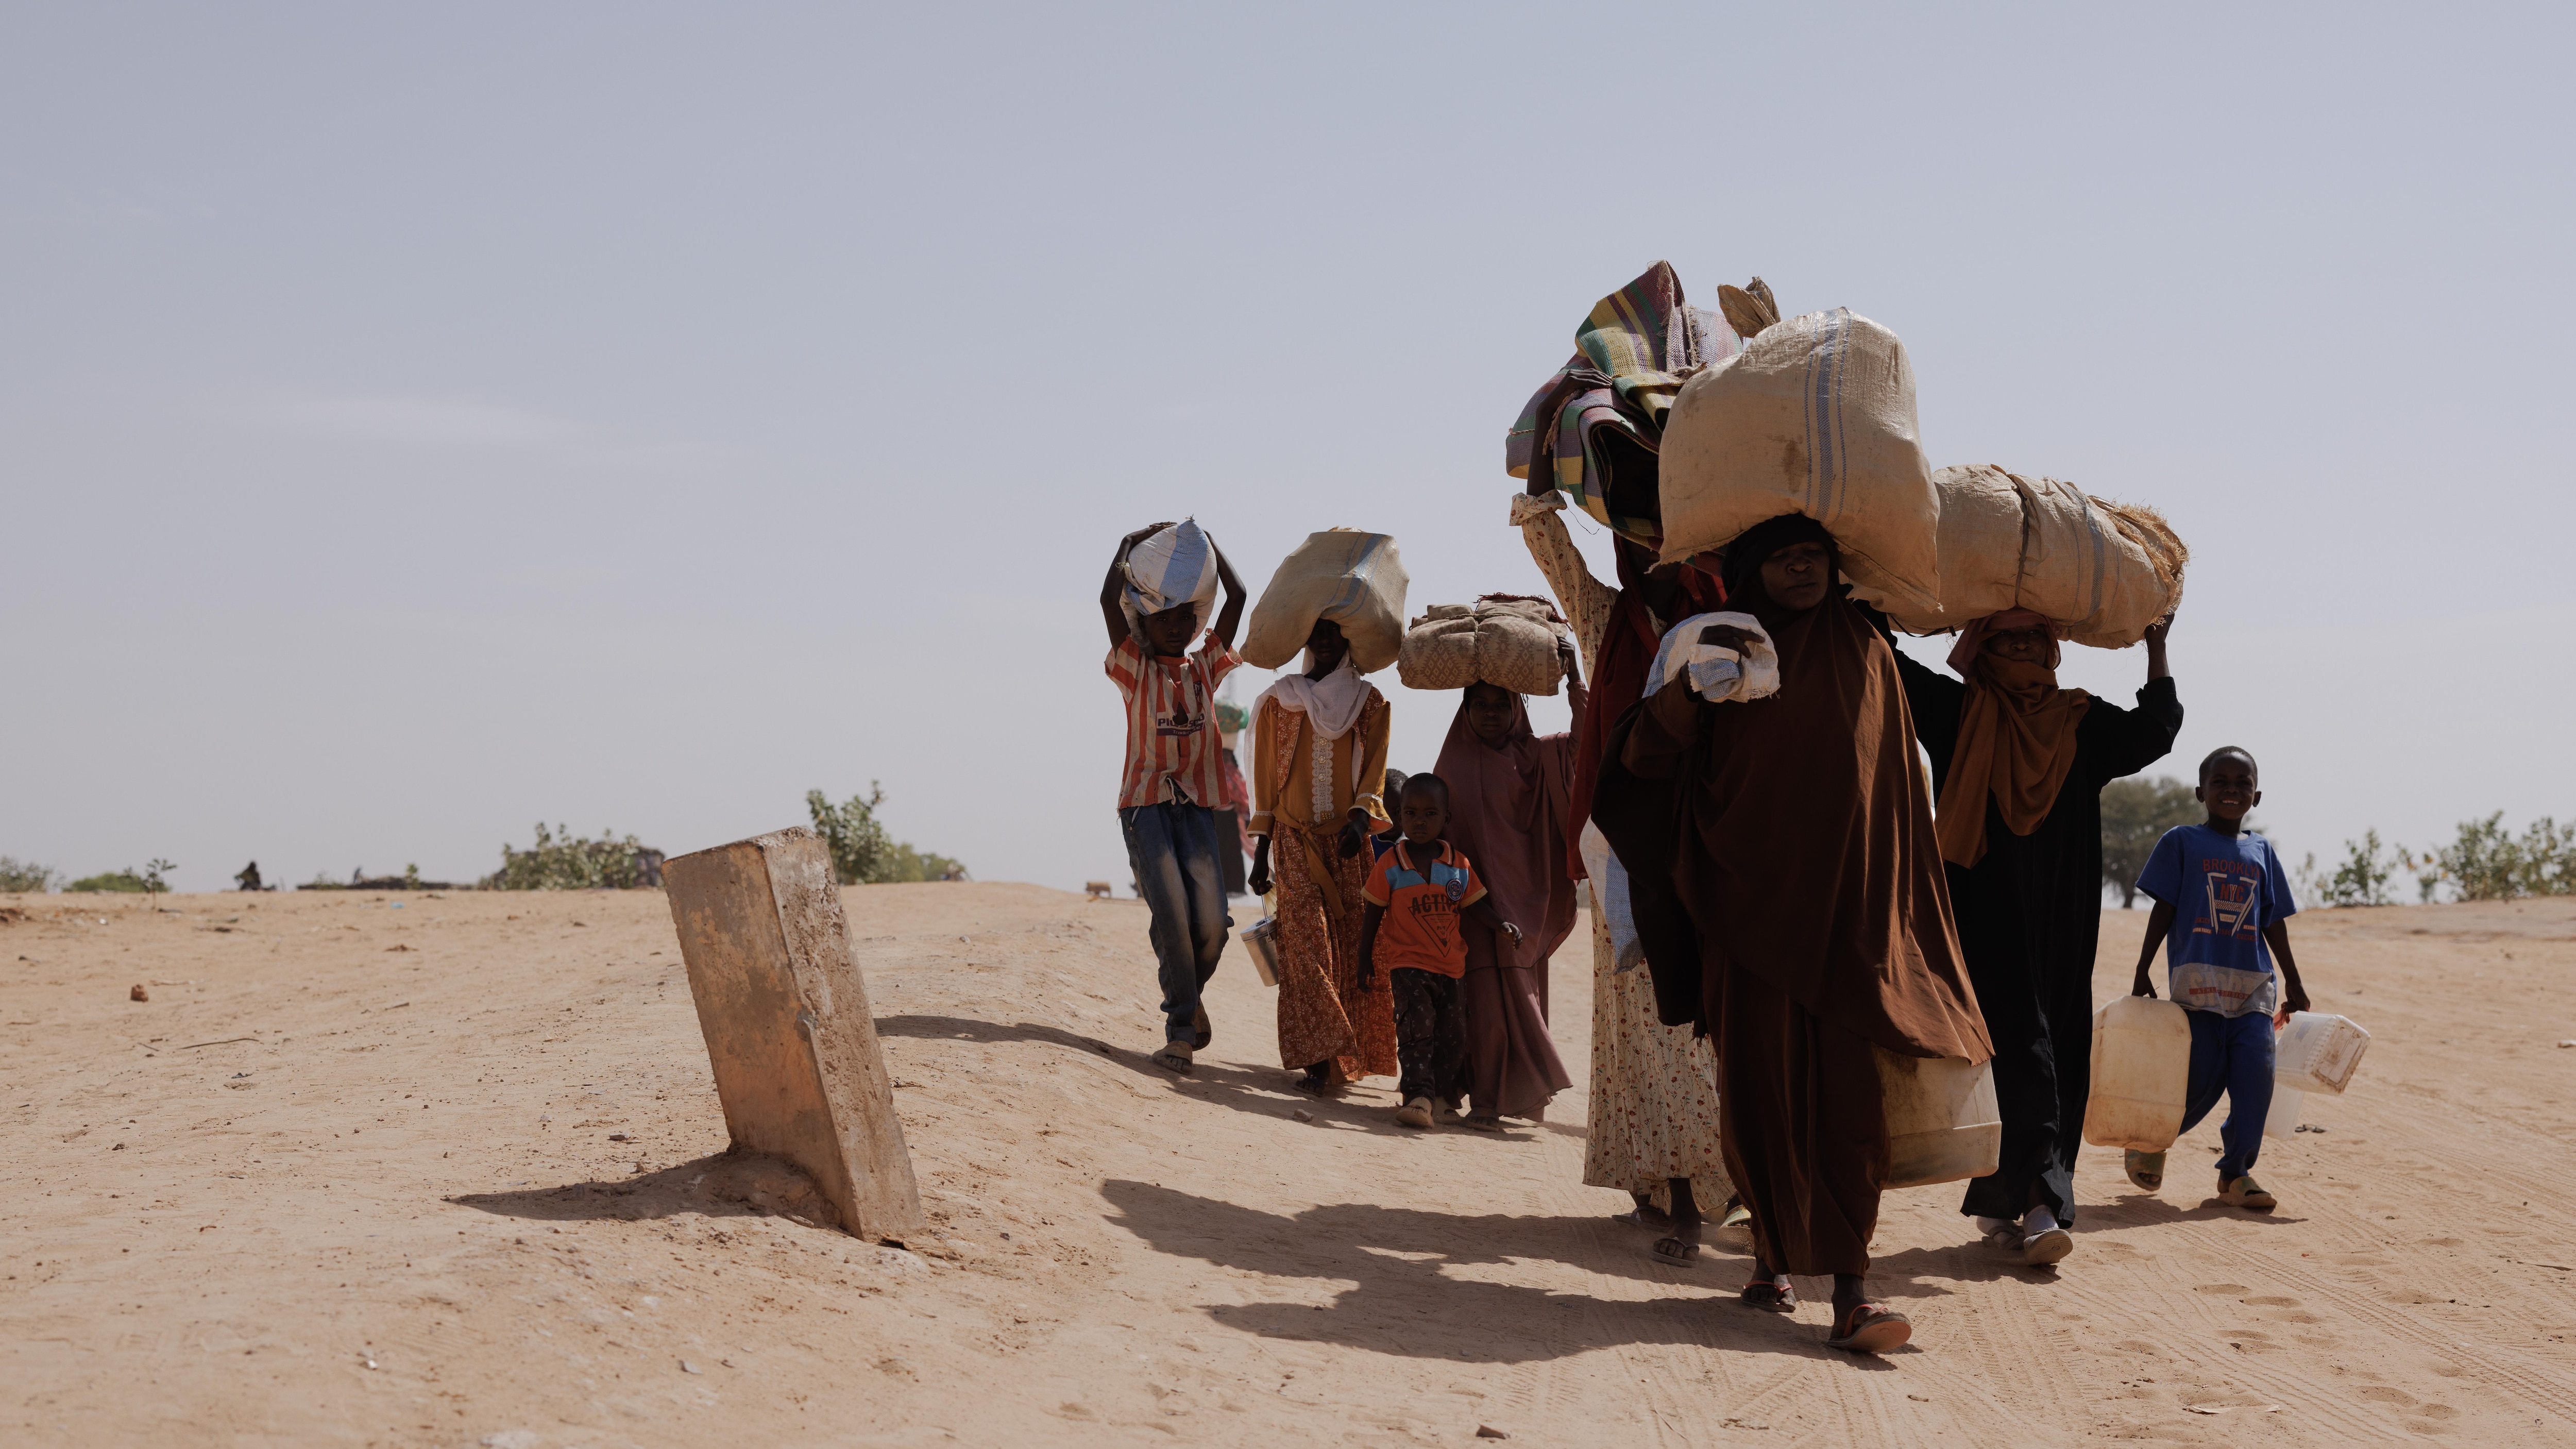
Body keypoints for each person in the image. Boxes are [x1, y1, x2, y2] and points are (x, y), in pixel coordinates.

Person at [1595, 513, 1991, 1355]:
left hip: (1847, 921)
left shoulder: (1866, 648)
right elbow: (1636, 762)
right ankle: (1773, 1251)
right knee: (1760, 1099)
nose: (1802, 569)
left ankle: (1851, 1287)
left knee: (1849, 1109)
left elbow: (1892, 792)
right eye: (1783, 558)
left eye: (1814, 555)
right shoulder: (1720, 641)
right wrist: (1685, 698)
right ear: (1753, 571)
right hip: (1743, 915)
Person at [1881, 608, 2182, 1266]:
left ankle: (2007, 1198)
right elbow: (1888, 665)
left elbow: (2154, 731)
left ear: (2052, 649)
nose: (2019, 642)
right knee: (2020, 1045)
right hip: (1979, 914)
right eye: (2002, 634)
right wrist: (1884, 601)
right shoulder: (1955, 712)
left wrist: (2155, 645)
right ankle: (2041, 1200)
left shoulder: (2078, 720)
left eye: (2032, 635)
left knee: (2055, 1045)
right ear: (1978, 645)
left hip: (2064, 915)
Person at [1514, 490, 1739, 1262]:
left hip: (1706, 850)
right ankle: (1670, 1191)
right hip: (1621, 859)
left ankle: (1721, 1186)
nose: (1655, 556)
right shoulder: (1607, 623)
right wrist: (1545, 488)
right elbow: (1553, 555)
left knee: (1707, 1029)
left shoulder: (1726, 624)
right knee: (1644, 1032)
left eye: (1670, 542)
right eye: (1640, 541)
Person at [2126, 746, 2308, 1211]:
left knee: (2256, 1080)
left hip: (2253, 991)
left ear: (2257, 795)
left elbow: (2273, 922)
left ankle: (2236, 1174)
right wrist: (2143, 966)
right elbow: (2163, 907)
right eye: (2221, 781)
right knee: (2201, 1080)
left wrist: (2294, 981)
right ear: (2200, 791)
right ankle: (2153, 1140)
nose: (2231, 790)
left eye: (2242, 783)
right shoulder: (2181, 842)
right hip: (2198, 989)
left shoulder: (2262, 850)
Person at [1100, 521, 1247, 1075]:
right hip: (1145, 806)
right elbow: (1105, 602)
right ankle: (1180, 1028)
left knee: (1210, 925)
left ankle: (1186, 994)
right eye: (1164, 617)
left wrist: (1208, 547)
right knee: (1171, 914)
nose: (1177, 626)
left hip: (1202, 808)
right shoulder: (1133, 668)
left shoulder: (1206, 665)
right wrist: (1125, 547)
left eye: (1187, 616)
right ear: (1144, 620)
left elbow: (1238, 598)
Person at [1433, 639, 1580, 1131]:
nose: (1491, 715)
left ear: (1518, 709)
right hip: (1469, 911)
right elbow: (1436, 840)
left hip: (1522, 908)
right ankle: (1469, 1095)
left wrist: (1575, 676)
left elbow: (1587, 743)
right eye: (1481, 705)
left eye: (1502, 705)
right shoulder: (1450, 766)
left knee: (1511, 1002)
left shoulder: (1536, 757)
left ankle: (1499, 1099)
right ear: (1466, 709)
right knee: (1472, 1007)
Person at [1247, 617, 1398, 1094]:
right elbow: (1267, 782)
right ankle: (1319, 1058)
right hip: (1293, 844)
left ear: (1349, 638)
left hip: (1349, 846)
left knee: (1354, 948)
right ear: (1304, 638)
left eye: (1335, 631)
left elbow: (1374, 772)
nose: (1326, 640)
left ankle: (1347, 1053)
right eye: (1317, 631)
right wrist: (1261, 851)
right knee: (1307, 947)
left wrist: (1359, 821)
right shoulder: (1280, 701)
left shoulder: (1370, 702)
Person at [1360, 773, 1527, 1128]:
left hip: (1452, 967)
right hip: (1407, 964)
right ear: (1399, 817)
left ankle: (1437, 1097)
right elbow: (1372, 913)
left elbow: (1475, 906)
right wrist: (1364, 960)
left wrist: (1502, 925)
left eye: (1430, 813)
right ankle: (1416, 1097)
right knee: (1415, 1029)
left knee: (1453, 1035)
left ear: (1446, 819)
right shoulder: (1390, 863)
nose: (1420, 821)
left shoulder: (1458, 864)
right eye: (1411, 813)